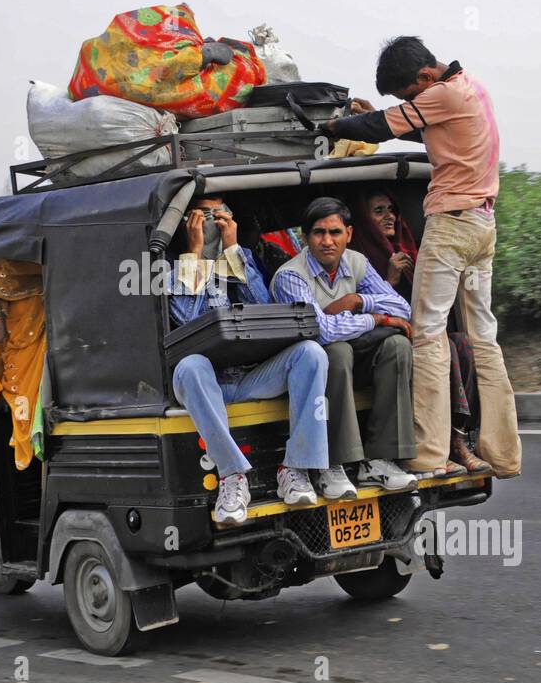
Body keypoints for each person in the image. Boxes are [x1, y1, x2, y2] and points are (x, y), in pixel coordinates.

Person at [322, 36, 521, 478]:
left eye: (410, 96)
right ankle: (503, 452)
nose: (415, 102)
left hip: (450, 227)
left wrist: (334, 129)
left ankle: (428, 452)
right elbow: (412, 127)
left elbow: (381, 130)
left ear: (425, 78)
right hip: (482, 227)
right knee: (483, 336)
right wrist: (374, 117)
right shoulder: (470, 89)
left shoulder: (442, 93)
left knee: (428, 334)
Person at [168, 196, 346, 525]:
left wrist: (233, 251)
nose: (212, 221)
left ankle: (296, 468)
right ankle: (232, 476)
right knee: (190, 366)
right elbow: (183, 317)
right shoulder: (173, 268)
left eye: (220, 214)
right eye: (204, 214)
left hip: (250, 376)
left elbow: (263, 306)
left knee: (311, 353)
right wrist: (193, 253)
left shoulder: (240, 258)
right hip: (207, 383)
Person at [270, 196, 418, 492]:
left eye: (335, 232)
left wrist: (357, 301)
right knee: (335, 351)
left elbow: (402, 307)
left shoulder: (356, 262)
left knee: (397, 347)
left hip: (354, 360)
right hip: (307, 372)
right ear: (305, 237)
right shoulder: (290, 276)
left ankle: (380, 460)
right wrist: (376, 320)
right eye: (319, 233)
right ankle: (333, 464)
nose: (327, 241)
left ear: (348, 234)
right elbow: (321, 331)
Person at [351, 188, 489, 473]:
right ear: (365, 221)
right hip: (379, 343)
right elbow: (355, 311)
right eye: (379, 211)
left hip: (419, 336)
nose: (388, 216)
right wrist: (389, 278)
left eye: (392, 210)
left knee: (461, 343)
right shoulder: (358, 258)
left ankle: (458, 437)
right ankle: (445, 448)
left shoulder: (412, 250)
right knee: (444, 348)